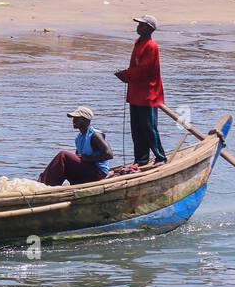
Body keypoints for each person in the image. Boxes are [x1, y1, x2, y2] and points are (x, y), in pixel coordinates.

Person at [114, 16, 167, 167]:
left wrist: (126, 75)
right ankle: (141, 160)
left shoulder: (151, 46)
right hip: (136, 93)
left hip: (148, 95)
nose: (138, 27)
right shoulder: (139, 43)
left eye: (142, 25)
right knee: (136, 128)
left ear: (149, 29)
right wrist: (126, 74)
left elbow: (144, 70)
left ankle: (160, 157)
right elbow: (136, 68)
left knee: (149, 127)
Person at [38, 106, 115, 186]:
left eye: (76, 118)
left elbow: (109, 154)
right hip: (87, 171)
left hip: (98, 173)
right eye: (73, 118)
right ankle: (46, 183)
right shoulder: (79, 138)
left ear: (85, 120)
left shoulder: (95, 135)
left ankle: (45, 185)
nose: (73, 120)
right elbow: (77, 159)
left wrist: (89, 159)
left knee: (63, 155)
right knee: (64, 165)